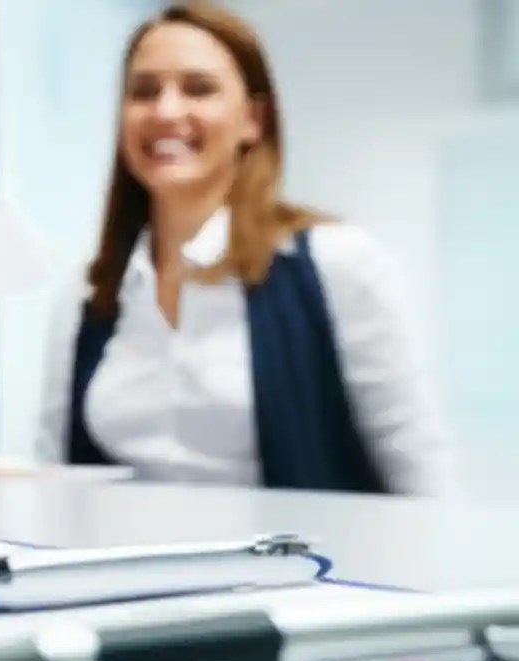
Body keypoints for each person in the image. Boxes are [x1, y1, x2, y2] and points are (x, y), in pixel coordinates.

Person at [36, 3, 450, 495]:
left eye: (199, 88)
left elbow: (418, 467)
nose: (166, 111)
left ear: (253, 120)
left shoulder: (336, 264)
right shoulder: (90, 293)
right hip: (121, 568)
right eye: (144, 91)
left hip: (304, 569)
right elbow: (53, 477)